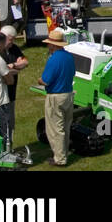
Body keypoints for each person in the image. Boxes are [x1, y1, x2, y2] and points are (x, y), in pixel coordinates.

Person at [37, 28, 75, 166]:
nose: (47, 46)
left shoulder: (53, 59)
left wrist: (39, 80)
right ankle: (64, 153)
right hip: (68, 94)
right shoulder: (69, 57)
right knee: (65, 126)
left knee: (55, 129)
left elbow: (46, 80)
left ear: (53, 45)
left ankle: (60, 158)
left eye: (49, 44)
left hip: (56, 96)